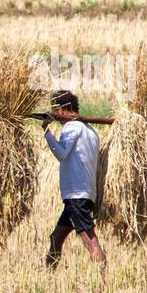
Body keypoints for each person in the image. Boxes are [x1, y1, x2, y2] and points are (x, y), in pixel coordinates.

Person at [40, 89, 106, 271]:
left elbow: (61, 153)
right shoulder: (90, 130)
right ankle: (49, 276)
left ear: (62, 109)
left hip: (76, 194)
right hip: (82, 193)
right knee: (56, 238)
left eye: (54, 110)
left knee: (89, 240)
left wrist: (47, 132)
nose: (55, 115)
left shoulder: (71, 127)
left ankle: (103, 281)